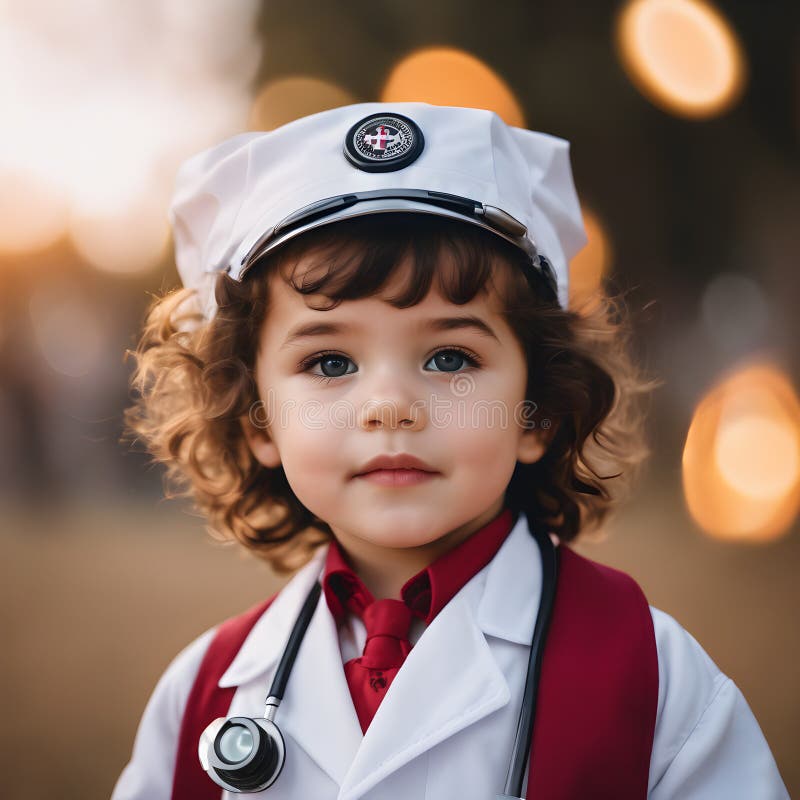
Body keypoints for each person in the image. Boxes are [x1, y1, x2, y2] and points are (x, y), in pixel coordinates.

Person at [112, 102, 789, 799]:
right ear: (258, 422)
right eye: (330, 363)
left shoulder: (654, 679)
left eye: (448, 358)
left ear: (537, 412)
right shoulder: (197, 696)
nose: (390, 405)